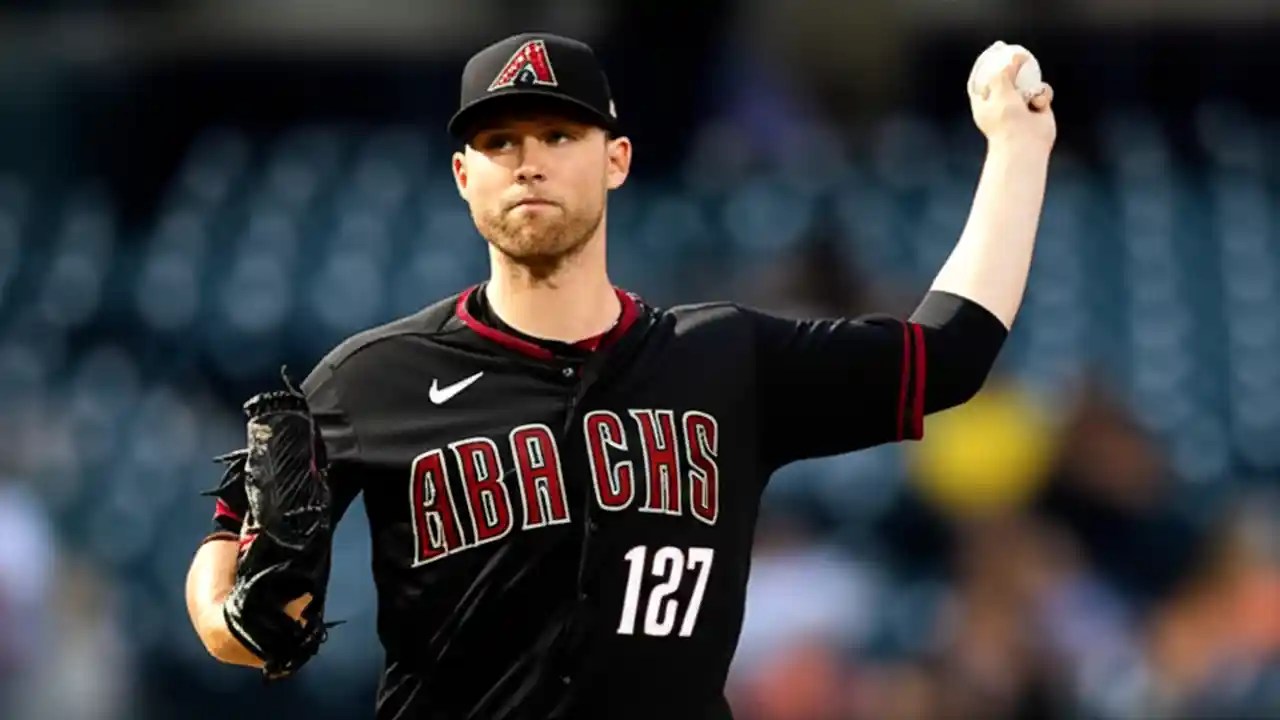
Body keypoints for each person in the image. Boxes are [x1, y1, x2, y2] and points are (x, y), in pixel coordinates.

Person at [184, 31, 1055, 720]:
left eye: (559, 133)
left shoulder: (723, 359)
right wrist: (231, 616)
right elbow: (229, 558)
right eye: (499, 141)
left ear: (616, 160)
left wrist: (1018, 149)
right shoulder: (372, 382)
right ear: (462, 175)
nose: (528, 159)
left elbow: (948, 358)